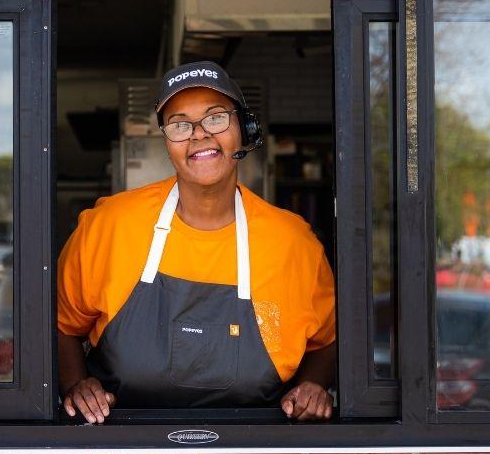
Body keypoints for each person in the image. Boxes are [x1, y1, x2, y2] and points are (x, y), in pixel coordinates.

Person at [57, 61, 337, 423]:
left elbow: (327, 341)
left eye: (216, 118)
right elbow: (61, 327)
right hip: (122, 443)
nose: (199, 134)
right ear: (167, 142)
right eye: (180, 124)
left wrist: (314, 385)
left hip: (254, 446)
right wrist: (76, 384)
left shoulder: (294, 244)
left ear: (244, 129)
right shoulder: (108, 226)